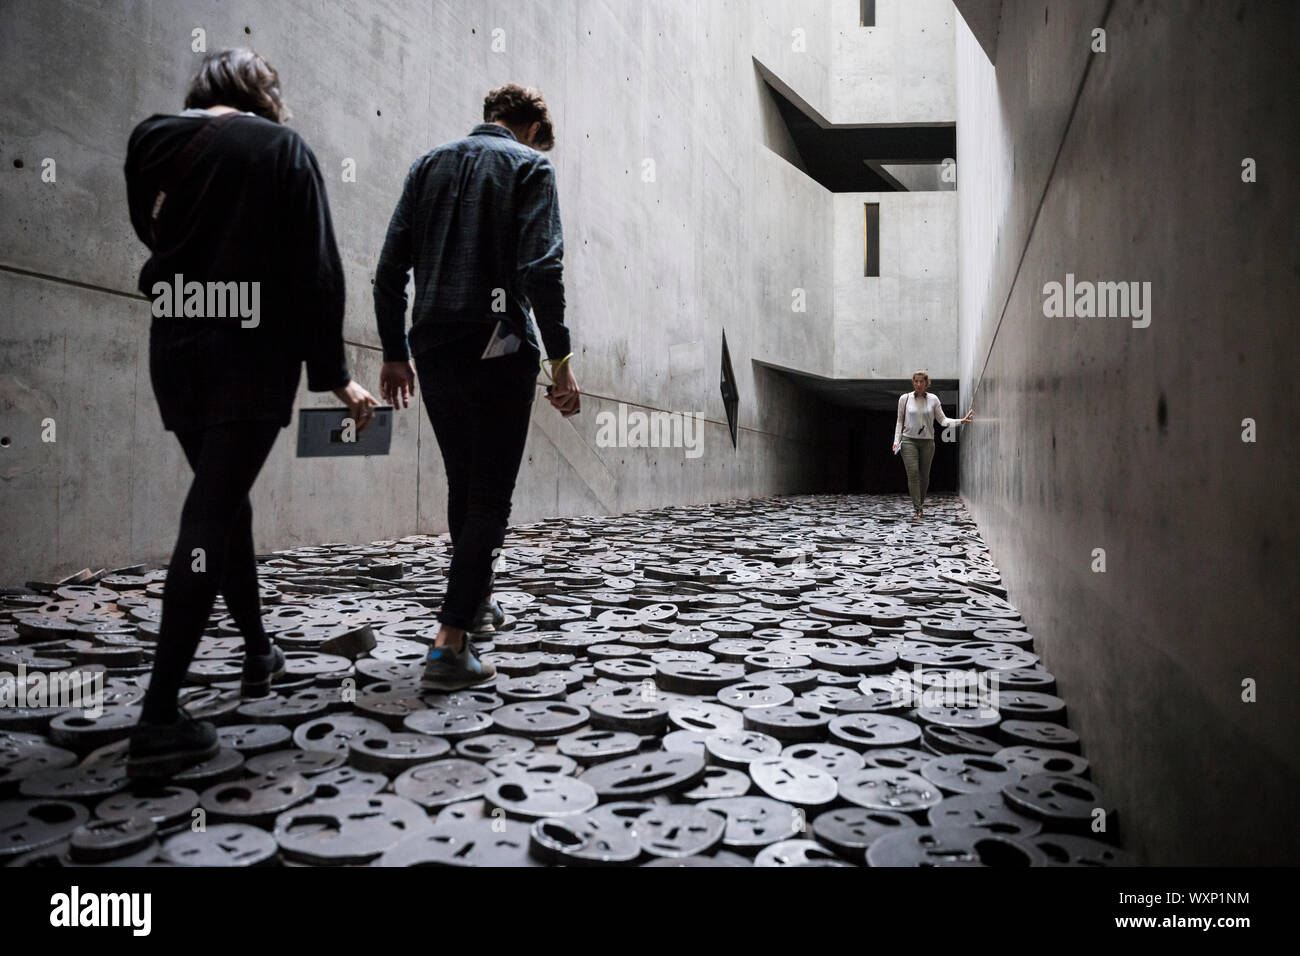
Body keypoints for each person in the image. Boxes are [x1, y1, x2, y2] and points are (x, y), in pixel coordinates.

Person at [122, 48, 378, 776]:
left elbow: (154, 233)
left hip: (174, 345)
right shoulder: (281, 148)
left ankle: (259, 651)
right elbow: (316, 272)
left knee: (224, 503)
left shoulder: (150, 138)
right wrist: (336, 378)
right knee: (211, 511)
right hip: (248, 354)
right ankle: (159, 715)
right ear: (264, 93)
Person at [373, 83, 578, 692]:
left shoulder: (426, 165)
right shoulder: (530, 167)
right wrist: (561, 359)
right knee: (490, 494)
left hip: (433, 342)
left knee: (463, 484)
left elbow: (389, 271)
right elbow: (543, 270)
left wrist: (393, 353)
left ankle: (476, 603)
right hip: (501, 344)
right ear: (532, 130)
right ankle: (449, 643)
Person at [891, 369, 973, 520]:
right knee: (913, 474)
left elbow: (943, 420)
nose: (918, 384)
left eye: (921, 381)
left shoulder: (933, 399)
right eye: (916, 381)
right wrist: (896, 442)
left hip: (927, 442)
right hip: (908, 440)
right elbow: (900, 421)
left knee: (924, 476)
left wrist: (960, 421)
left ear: (926, 383)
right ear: (913, 383)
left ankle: (920, 505)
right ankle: (917, 509)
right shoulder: (905, 398)